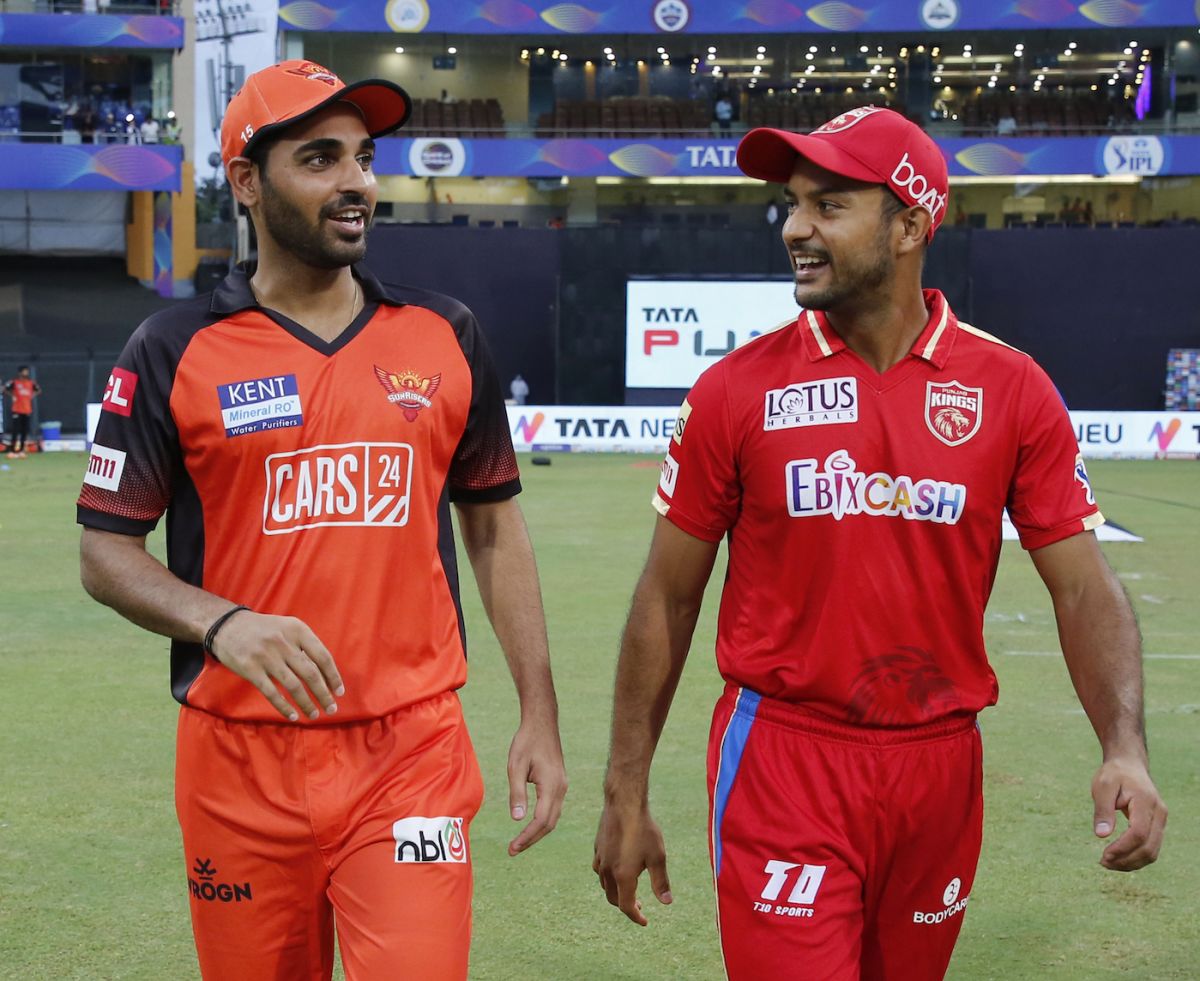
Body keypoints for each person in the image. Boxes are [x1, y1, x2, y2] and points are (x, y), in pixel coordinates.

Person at [593, 106, 1166, 980]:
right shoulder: (734, 391)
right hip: (783, 759)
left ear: (909, 225)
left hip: (939, 766)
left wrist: (1123, 744)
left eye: (828, 205)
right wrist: (625, 791)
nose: (795, 228)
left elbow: (1083, 586)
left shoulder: (1012, 389)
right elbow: (667, 596)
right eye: (793, 204)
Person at [77, 60, 566, 981]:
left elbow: (495, 530)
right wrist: (221, 622)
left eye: (364, 158)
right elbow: (105, 551)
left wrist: (539, 713)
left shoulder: (445, 334)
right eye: (319, 158)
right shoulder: (173, 348)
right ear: (247, 181)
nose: (356, 182)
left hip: (410, 751)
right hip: (237, 761)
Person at [4, 365, 41, 457]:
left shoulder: (31, 383)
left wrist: (32, 395)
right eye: (24, 371)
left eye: (27, 371)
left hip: (27, 410)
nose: (26, 373)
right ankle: (12, 451)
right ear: (20, 373)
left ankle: (21, 451)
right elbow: (4, 389)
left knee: (24, 431)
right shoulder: (14, 382)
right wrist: (12, 395)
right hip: (17, 409)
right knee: (15, 431)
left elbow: (39, 390)